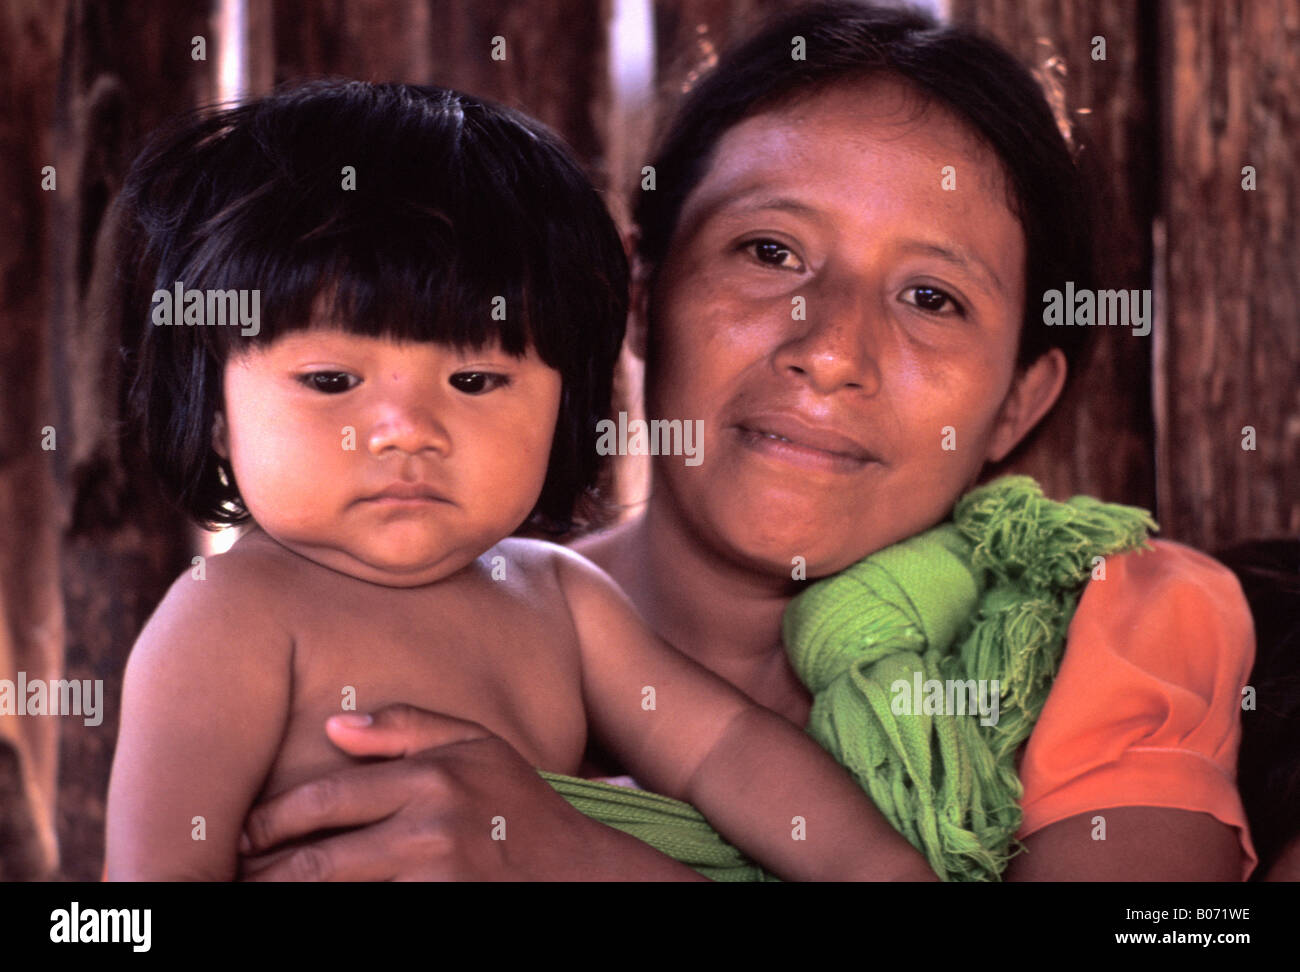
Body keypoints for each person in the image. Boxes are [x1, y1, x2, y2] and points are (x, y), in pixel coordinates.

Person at [234, 3, 1258, 881]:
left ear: (1016, 404)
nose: (831, 350)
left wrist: (594, 867)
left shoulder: (1111, 623)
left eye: (932, 297)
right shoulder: (378, 637)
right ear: (639, 297)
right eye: (769, 252)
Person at [105, 79, 940, 882]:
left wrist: (878, 870)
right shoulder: (231, 616)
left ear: (563, 402)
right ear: (216, 412)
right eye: (331, 381)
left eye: (474, 382)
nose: (409, 432)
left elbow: (725, 747)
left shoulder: (557, 599)